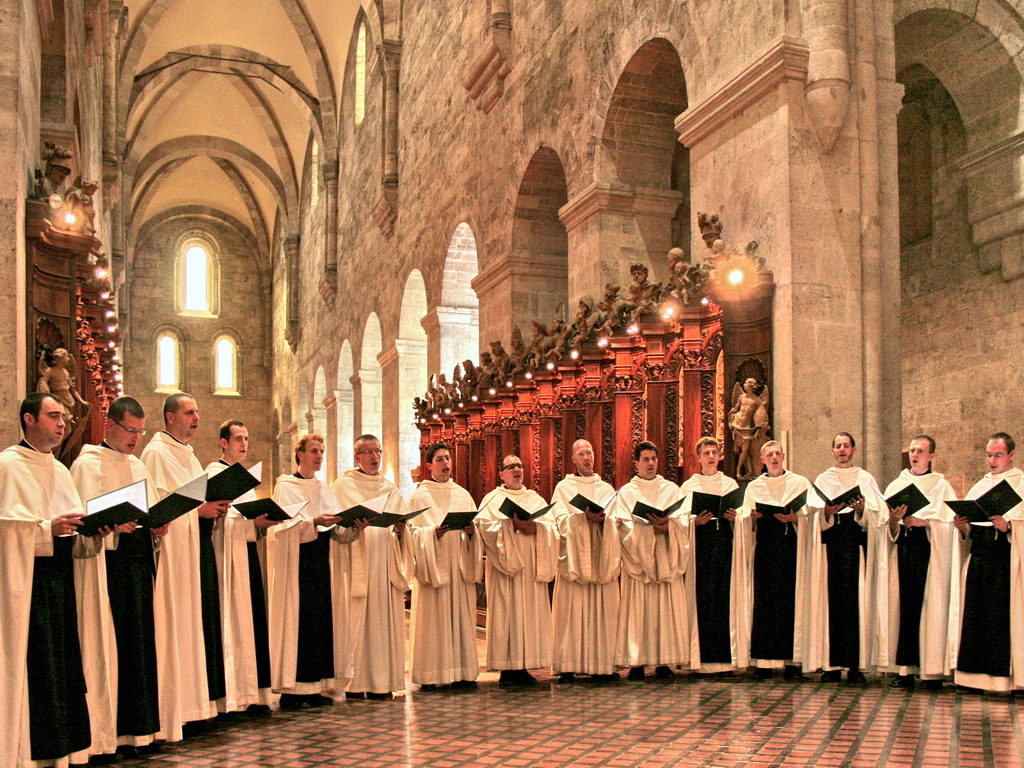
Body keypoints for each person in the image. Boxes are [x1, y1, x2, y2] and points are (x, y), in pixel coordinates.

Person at [0, 393, 93, 767]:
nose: (62, 423)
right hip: (27, 583)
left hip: (61, 576)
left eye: (64, 417)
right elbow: (6, 527)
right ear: (28, 419)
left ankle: (60, 748)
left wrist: (95, 526)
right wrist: (43, 528)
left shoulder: (61, 470)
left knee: (63, 662)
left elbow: (74, 520)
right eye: (53, 415)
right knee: (38, 662)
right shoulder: (8, 464)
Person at [69, 396, 164, 759]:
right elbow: (83, 520)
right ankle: (112, 732)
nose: (136, 438)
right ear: (110, 425)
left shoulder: (139, 466)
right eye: (130, 430)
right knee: (112, 645)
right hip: (108, 565)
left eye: (140, 431)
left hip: (139, 561)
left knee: (140, 643)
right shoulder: (88, 463)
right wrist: (114, 527)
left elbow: (150, 508)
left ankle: (139, 731)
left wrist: (157, 525)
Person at [140, 393, 231, 740]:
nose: (196, 418)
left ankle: (196, 706)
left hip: (193, 551)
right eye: (190, 413)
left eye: (197, 413)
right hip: (173, 555)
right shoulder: (157, 453)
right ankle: (176, 708)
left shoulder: (189, 455)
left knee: (194, 624)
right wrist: (200, 510)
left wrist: (208, 509)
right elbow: (159, 506)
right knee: (176, 626)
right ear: (170, 417)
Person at [205, 420, 278, 714]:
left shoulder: (244, 478)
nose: (244, 444)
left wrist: (258, 523)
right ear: (223, 442)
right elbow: (218, 517)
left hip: (246, 553)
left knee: (252, 619)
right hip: (227, 558)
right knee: (232, 619)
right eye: (238, 439)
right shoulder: (214, 473)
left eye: (246, 438)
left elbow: (242, 516)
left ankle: (255, 693)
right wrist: (250, 522)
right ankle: (233, 695)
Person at [876, 435, 959, 690]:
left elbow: (951, 523)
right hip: (903, 549)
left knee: (929, 607)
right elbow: (885, 527)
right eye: (912, 450)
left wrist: (927, 522)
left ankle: (930, 670)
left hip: (929, 551)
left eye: (921, 451)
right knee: (904, 608)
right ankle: (904, 669)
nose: (915, 455)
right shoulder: (897, 485)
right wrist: (894, 519)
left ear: (931, 456)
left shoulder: (941, 485)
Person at [332, 434, 411, 699]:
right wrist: (353, 525)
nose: (375, 457)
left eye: (378, 451)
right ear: (357, 457)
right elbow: (336, 525)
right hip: (358, 561)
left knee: (383, 623)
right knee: (358, 622)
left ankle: (382, 682)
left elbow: (402, 524)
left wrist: (400, 529)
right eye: (368, 452)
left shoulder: (389, 487)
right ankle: (356, 683)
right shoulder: (343, 485)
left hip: (385, 562)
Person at [269, 434, 344, 709]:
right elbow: (281, 528)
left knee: (320, 623)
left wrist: (352, 525)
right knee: (299, 623)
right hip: (298, 564)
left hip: (321, 561)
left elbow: (337, 526)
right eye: (314, 451)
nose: (319, 456)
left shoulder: (324, 487)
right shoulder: (286, 486)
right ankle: (293, 691)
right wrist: (312, 522)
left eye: (322, 451)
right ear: (299, 454)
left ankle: (314, 688)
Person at [609, 441, 693, 680]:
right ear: (636, 463)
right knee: (639, 613)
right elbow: (622, 526)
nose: (650, 464)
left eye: (653, 459)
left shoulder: (671, 490)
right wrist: (648, 531)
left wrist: (668, 526)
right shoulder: (626, 492)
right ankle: (637, 662)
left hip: (666, 560)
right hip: (640, 566)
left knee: (664, 613)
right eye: (645, 459)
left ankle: (664, 661)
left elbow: (683, 520)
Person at [806, 432, 884, 684]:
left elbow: (878, 515)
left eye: (846, 446)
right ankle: (830, 665)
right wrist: (826, 512)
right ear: (832, 450)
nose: (842, 450)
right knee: (829, 604)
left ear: (854, 450)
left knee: (855, 603)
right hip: (831, 546)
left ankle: (854, 665)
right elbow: (813, 516)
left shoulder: (865, 478)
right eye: (838, 446)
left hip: (854, 545)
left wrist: (862, 511)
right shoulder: (823, 479)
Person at [476, 455, 558, 686]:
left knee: (528, 616)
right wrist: (510, 525)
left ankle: (524, 666)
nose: (516, 470)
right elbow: (484, 528)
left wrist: (535, 528)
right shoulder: (492, 499)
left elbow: (553, 529)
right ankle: (508, 669)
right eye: (511, 467)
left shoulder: (535, 498)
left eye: (520, 466)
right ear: (501, 474)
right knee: (508, 616)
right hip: (507, 573)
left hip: (531, 570)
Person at [952, 432, 1024, 693]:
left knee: (999, 620)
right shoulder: (979, 486)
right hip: (979, 559)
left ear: (1012, 455)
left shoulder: (1020, 484)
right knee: (975, 619)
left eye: (998, 455)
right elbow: (972, 528)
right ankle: (972, 678)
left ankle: (1004, 680)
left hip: (1005, 562)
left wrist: (1010, 526)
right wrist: (963, 527)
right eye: (989, 455)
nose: (992, 460)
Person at [407, 443, 482, 691]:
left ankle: (463, 671)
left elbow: (475, 527)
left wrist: (472, 533)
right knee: (434, 621)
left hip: (458, 568)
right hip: (434, 568)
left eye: (448, 458)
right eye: (439, 459)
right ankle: (431, 674)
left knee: (461, 618)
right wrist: (432, 534)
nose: (445, 463)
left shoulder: (462, 494)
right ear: (429, 465)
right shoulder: (419, 496)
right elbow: (411, 534)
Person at [736, 440, 811, 679]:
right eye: (770, 455)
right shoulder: (754, 487)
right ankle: (764, 661)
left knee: (789, 602)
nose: (775, 458)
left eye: (778, 453)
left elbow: (811, 517)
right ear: (762, 460)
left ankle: (792, 661)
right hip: (765, 549)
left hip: (790, 547)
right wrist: (752, 517)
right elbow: (743, 519)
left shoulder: (799, 483)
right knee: (765, 603)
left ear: (784, 456)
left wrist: (794, 519)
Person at [549, 439, 620, 683]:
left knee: (602, 613)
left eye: (590, 453)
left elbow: (617, 519)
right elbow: (557, 521)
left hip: (601, 559)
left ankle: (602, 665)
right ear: (573, 459)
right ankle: (568, 666)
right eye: (582, 454)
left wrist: (605, 520)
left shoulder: (606, 489)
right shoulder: (564, 488)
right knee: (572, 613)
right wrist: (581, 518)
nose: (587, 458)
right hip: (575, 564)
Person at [680, 437, 746, 674]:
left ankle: (725, 660)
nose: (710, 457)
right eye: (705, 453)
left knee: (723, 598)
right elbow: (679, 519)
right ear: (698, 458)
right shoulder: (689, 486)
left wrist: (734, 518)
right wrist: (694, 521)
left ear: (719, 457)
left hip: (724, 543)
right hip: (700, 546)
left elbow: (744, 516)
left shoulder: (730, 485)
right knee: (703, 598)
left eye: (714, 452)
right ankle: (700, 660)